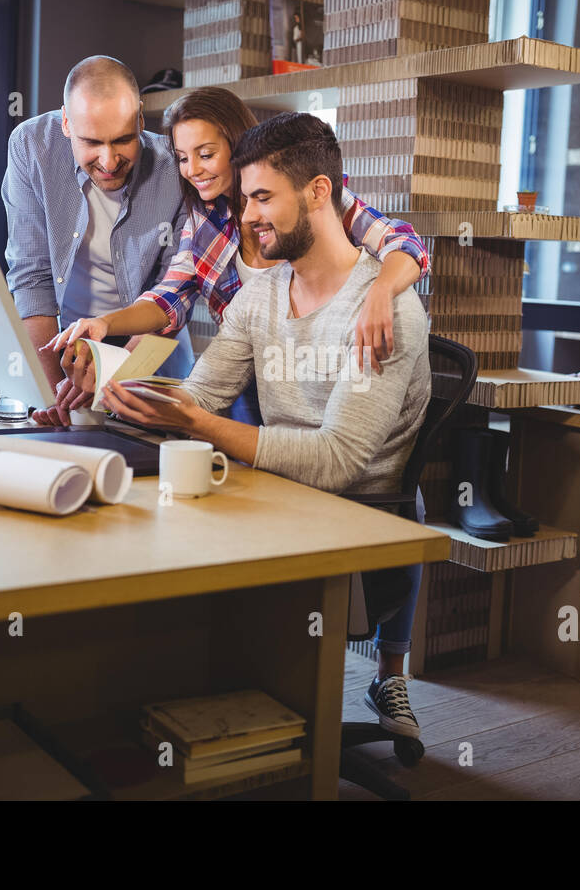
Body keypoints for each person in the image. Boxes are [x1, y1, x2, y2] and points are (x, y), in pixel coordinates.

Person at [98, 112, 431, 739]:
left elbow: (337, 460)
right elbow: (202, 391)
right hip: (276, 487)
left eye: (261, 198)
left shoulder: (387, 312)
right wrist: (120, 393)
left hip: (347, 508)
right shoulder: (262, 293)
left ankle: (260, 735)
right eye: (244, 198)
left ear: (319, 192)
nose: (247, 217)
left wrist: (197, 423)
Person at [47, 85, 429, 425]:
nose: (193, 170)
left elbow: (404, 244)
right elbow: (169, 300)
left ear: (237, 146)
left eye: (206, 154)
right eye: (182, 157)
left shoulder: (306, 197)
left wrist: (379, 292)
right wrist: (104, 326)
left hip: (320, 378)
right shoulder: (203, 220)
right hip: (248, 380)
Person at [1, 55, 193, 426]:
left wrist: (115, 376)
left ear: (140, 119)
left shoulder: (176, 167)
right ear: (66, 124)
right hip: (65, 352)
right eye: (92, 142)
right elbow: (32, 278)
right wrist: (57, 393)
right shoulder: (31, 147)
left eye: (123, 140)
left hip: (153, 354)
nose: (109, 160)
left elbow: (175, 292)